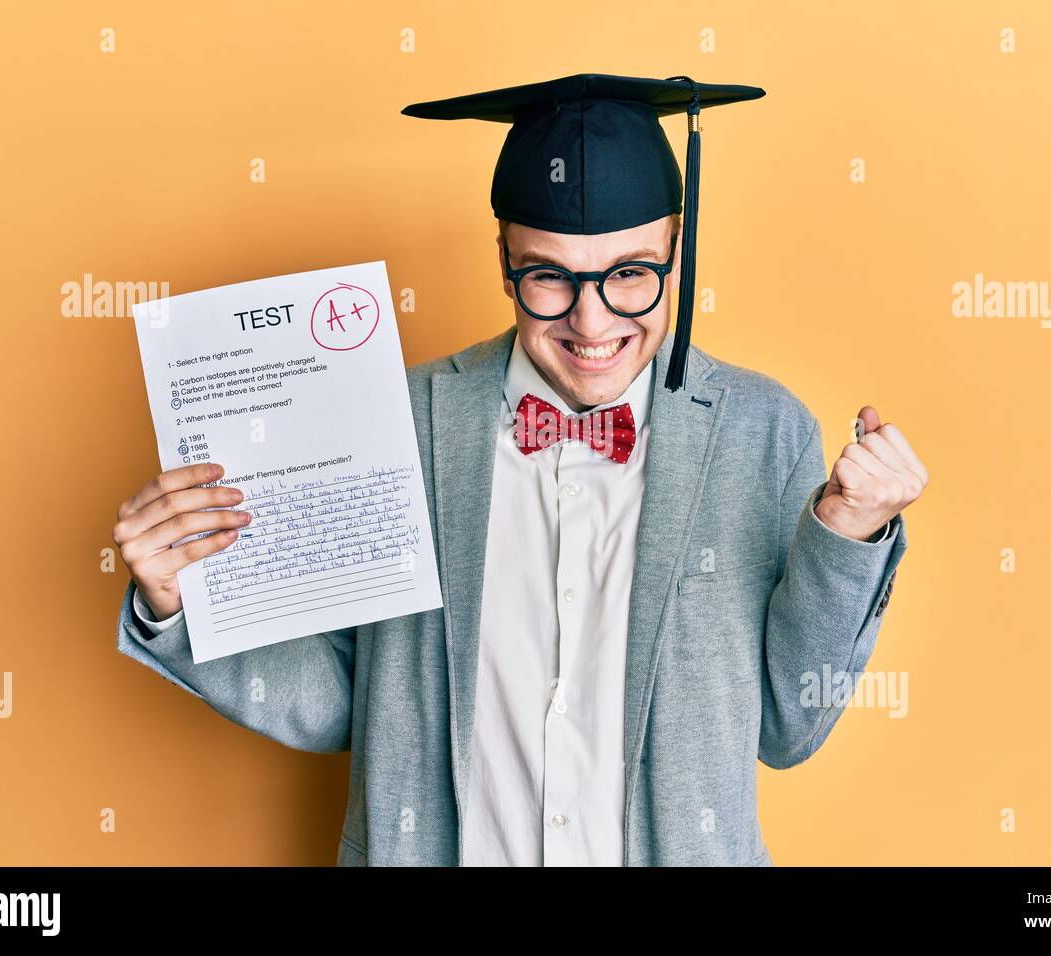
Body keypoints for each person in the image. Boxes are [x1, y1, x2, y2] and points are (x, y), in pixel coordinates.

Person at [112, 73, 927, 866]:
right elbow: (334, 706)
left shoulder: (763, 429)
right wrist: (182, 606)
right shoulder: (397, 419)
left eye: (630, 275)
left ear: (676, 255)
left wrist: (846, 534)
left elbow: (788, 729)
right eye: (549, 277)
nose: (591, 321)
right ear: (504, 260)